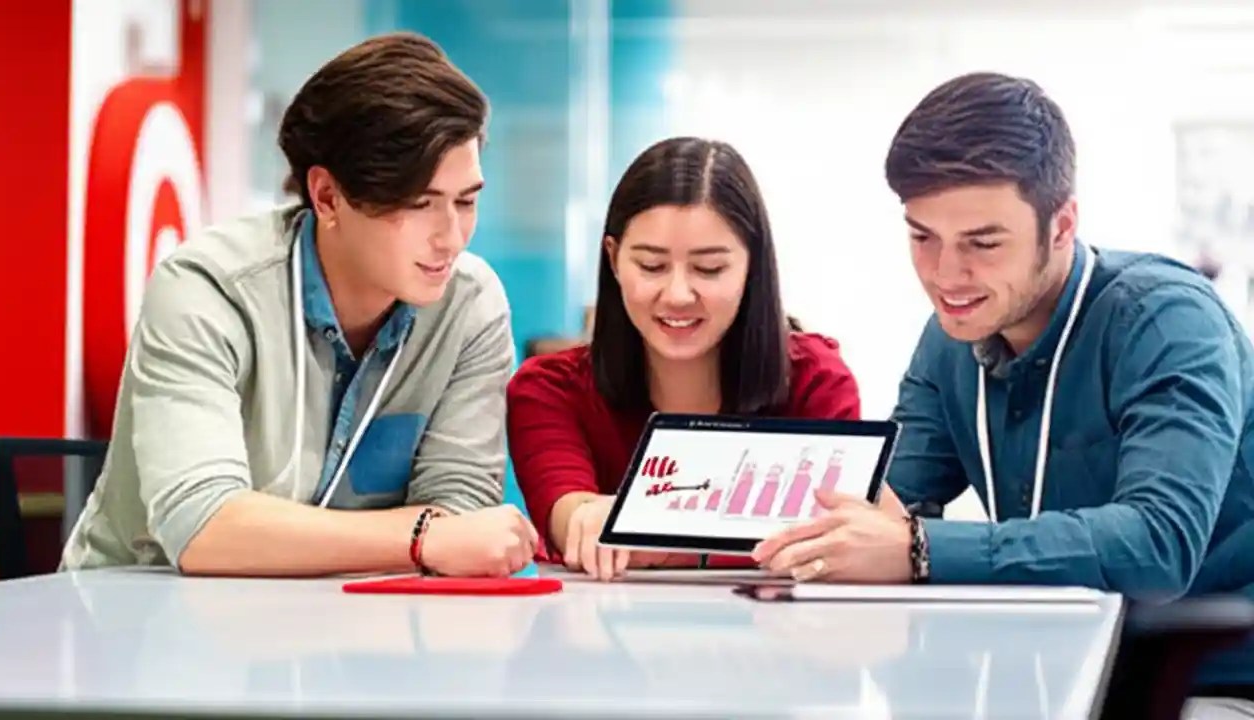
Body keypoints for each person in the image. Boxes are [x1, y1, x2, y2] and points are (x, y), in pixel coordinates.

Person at [754, 71, 1254, 617]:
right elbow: (887, 502)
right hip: (1054, 648)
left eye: (984, 243)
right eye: (922, 236)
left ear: (1061, 226)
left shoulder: (1167, 321)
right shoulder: (951, 337)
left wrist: (920, 550)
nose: (946, 275)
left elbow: (1158, 544)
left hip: (1211, 655)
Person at [61, 32, 537, 577]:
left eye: (466, 201)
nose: (451, 237)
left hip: (348, 614)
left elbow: (461, 517)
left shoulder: (470, 307)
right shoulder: (208, 288)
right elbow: (204, 528)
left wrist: (433, 536)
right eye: (418, 204)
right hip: (140, 608)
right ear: (328, 197)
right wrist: (420, 536)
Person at [507, 137, 863, 581]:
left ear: (752, 266)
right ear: (614, 259)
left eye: (709, 269)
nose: (677, 295)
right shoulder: (548, 389)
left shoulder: (817, 380)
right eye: (651, 266)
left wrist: (647, 536)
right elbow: (570, 516)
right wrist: (588, 518)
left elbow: (833, 540)